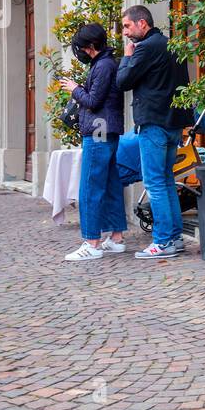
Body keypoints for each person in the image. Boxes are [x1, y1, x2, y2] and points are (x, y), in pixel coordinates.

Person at [116, 5, 191, 258]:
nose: (125, 32)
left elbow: (122, 82)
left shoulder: (146, 48)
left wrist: (127, 56)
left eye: (127, 26)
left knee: (155, 183)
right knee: (166, 180)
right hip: (173, 124)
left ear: (142, 24)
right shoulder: (169, 45)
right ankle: (175, 237)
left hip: (154, 124)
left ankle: (162, 241)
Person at [58, 23, 127, 261]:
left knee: (89, 187)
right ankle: (116, 239)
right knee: (110, 185)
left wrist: (74, 88)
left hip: (98, 132)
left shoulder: (103, 66)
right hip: (107, 131)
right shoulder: (107, 63)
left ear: (90, 46)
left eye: (81, 46)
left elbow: (94, 100)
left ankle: (92, 242)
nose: (79, 51)